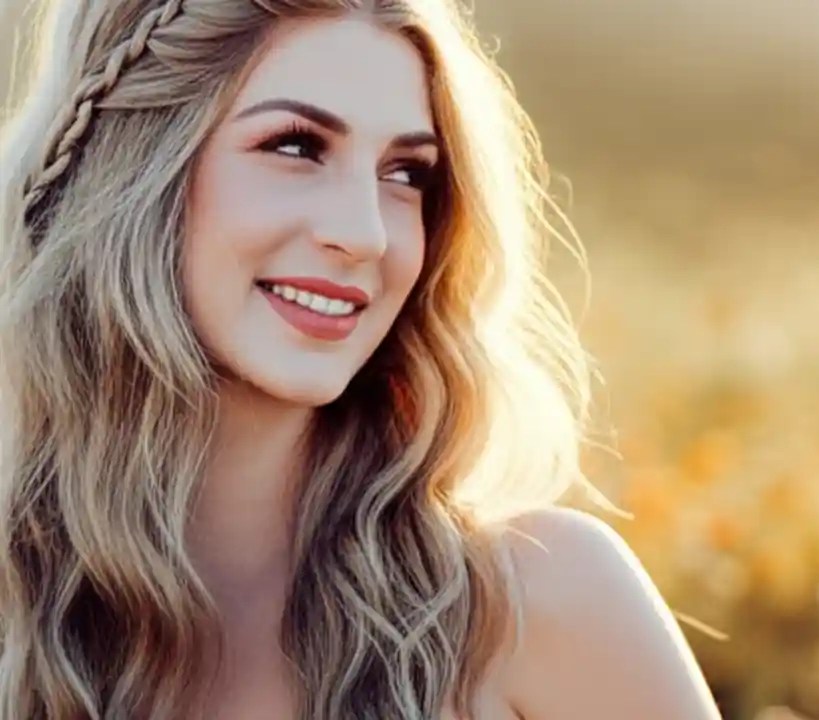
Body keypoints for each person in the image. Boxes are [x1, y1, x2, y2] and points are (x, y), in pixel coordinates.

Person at [0, 1, 723, 718]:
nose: (366, 233)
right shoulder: (19, 622)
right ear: (130, 169)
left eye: (406, 173)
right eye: (295, 146)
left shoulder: (539, 605)